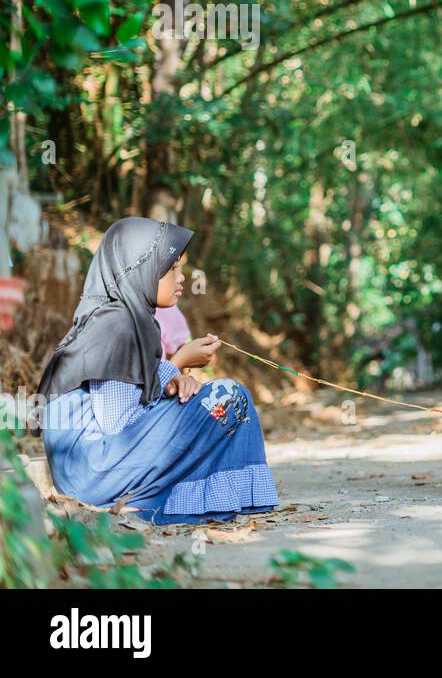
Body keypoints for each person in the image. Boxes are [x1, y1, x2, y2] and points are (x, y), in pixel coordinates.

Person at [36, 217, 279, 523]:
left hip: (96, 470)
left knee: (214, 397)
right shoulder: (116, 325)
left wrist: (173, 382)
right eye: (171, 268)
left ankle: (193, 498)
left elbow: (132, 400)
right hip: (95, 473)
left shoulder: (124, 319)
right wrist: (177, 363)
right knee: (228, 395)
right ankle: (169, 500)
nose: (182, 278)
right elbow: (118, 426)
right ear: (141, 269)